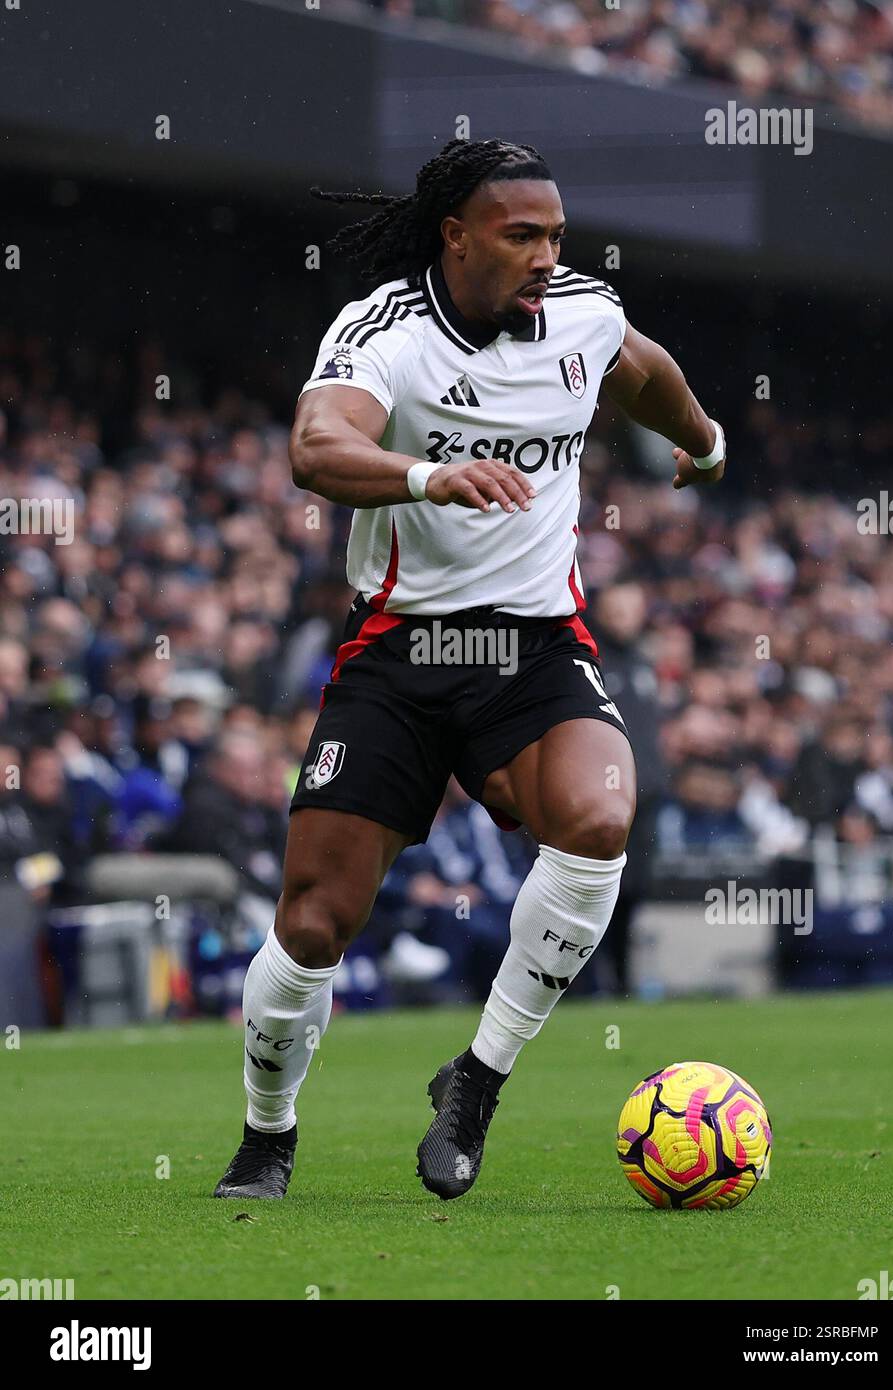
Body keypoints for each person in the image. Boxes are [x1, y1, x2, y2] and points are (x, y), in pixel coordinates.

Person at [213, 137, 726, 1202]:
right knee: (313, 924)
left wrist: (706, 440)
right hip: (398, 653)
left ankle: (477, 1081)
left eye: (557, 236)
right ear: (456, 236)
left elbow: (645, 373)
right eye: (522, 235)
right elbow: (316, 448)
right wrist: (426, 474)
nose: (548, 256)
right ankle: (269, 1134)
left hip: (533, 649)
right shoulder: (383, 332)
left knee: (597, 818)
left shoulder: (581, 312)